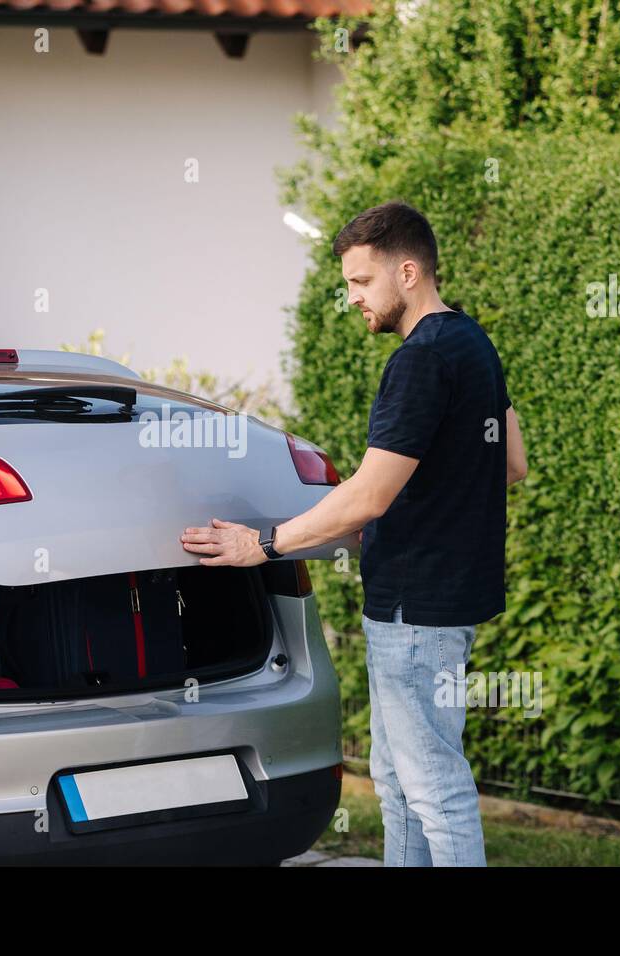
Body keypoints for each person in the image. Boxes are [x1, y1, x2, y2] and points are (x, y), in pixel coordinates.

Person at [179, 200, 527, 866]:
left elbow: (367, 495)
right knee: (399, 785)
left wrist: (263, 544)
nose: (352, 299)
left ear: (407, 272)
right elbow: (510, 463)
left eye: (361, 283)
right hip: (444, 603)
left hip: (414, 610)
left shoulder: (419, 360)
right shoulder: (473, 343)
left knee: (433, 789)